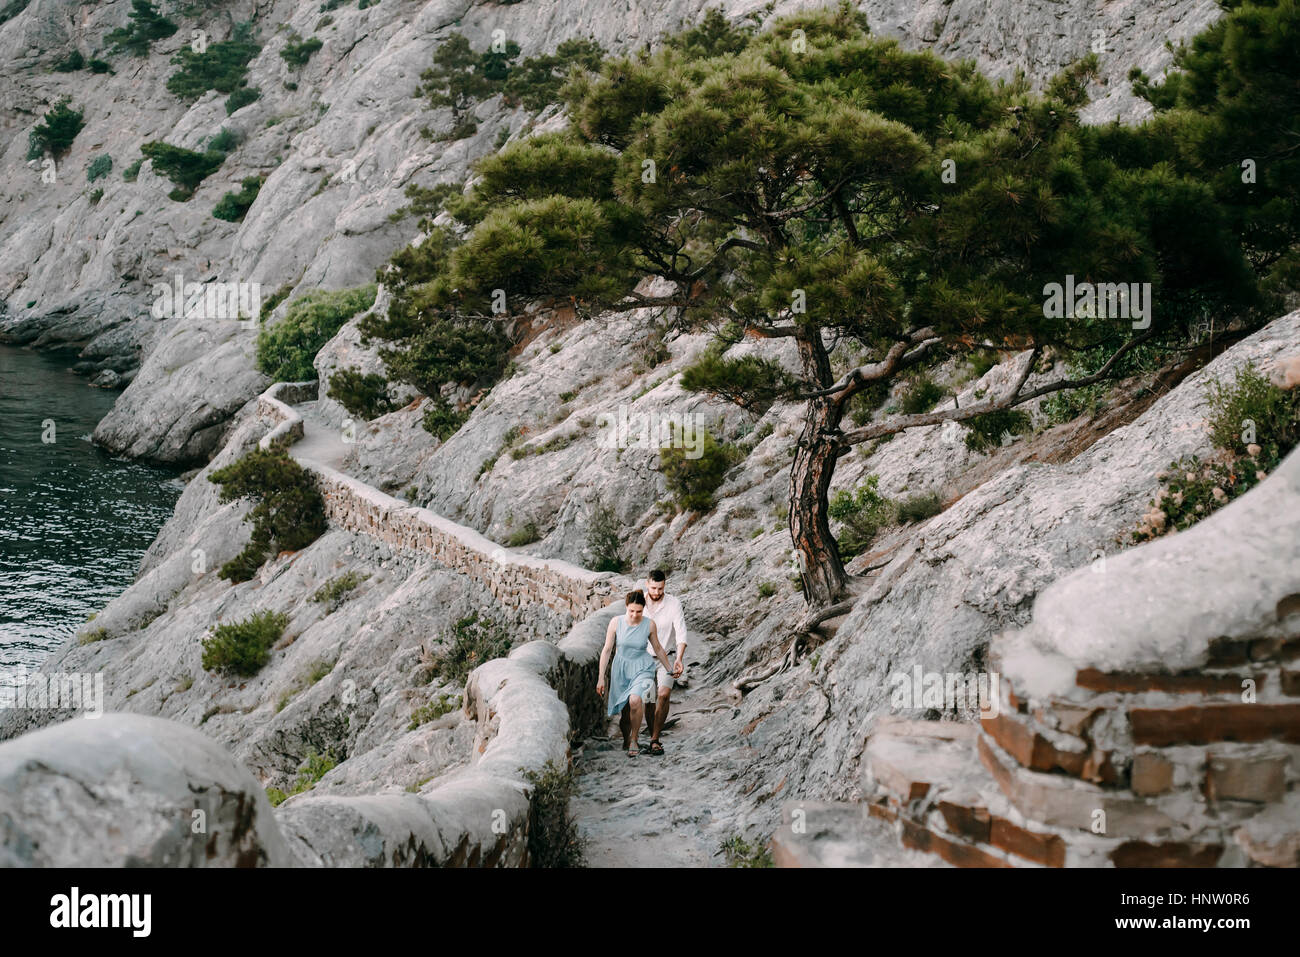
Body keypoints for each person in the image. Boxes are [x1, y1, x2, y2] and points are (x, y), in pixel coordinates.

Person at [597, 590, 680, 757]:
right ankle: (626, 740)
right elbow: (606, 650)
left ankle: (634, 739)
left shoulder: (649, 625)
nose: (635, 615)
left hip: (642, 667)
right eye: (632, 611)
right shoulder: (615, 622)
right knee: (625, 714)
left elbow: (657, 648)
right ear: (626, 607)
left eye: (639, 611)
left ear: (644, 609)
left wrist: (670, 669)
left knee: (636, 700)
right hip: (621, 669)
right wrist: (600, 678)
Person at [628, 568, 688, 757]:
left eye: (660, 589)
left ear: (665, 586)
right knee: (649, 699)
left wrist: (679, 658)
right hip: (643, 658)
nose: (656, 593)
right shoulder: (638, 603)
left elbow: (681, 633)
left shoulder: (673, 604)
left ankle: (655, 739)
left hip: (666, 657)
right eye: (653, 588)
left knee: (663, 694)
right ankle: (642, 736)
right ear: (647, 584)